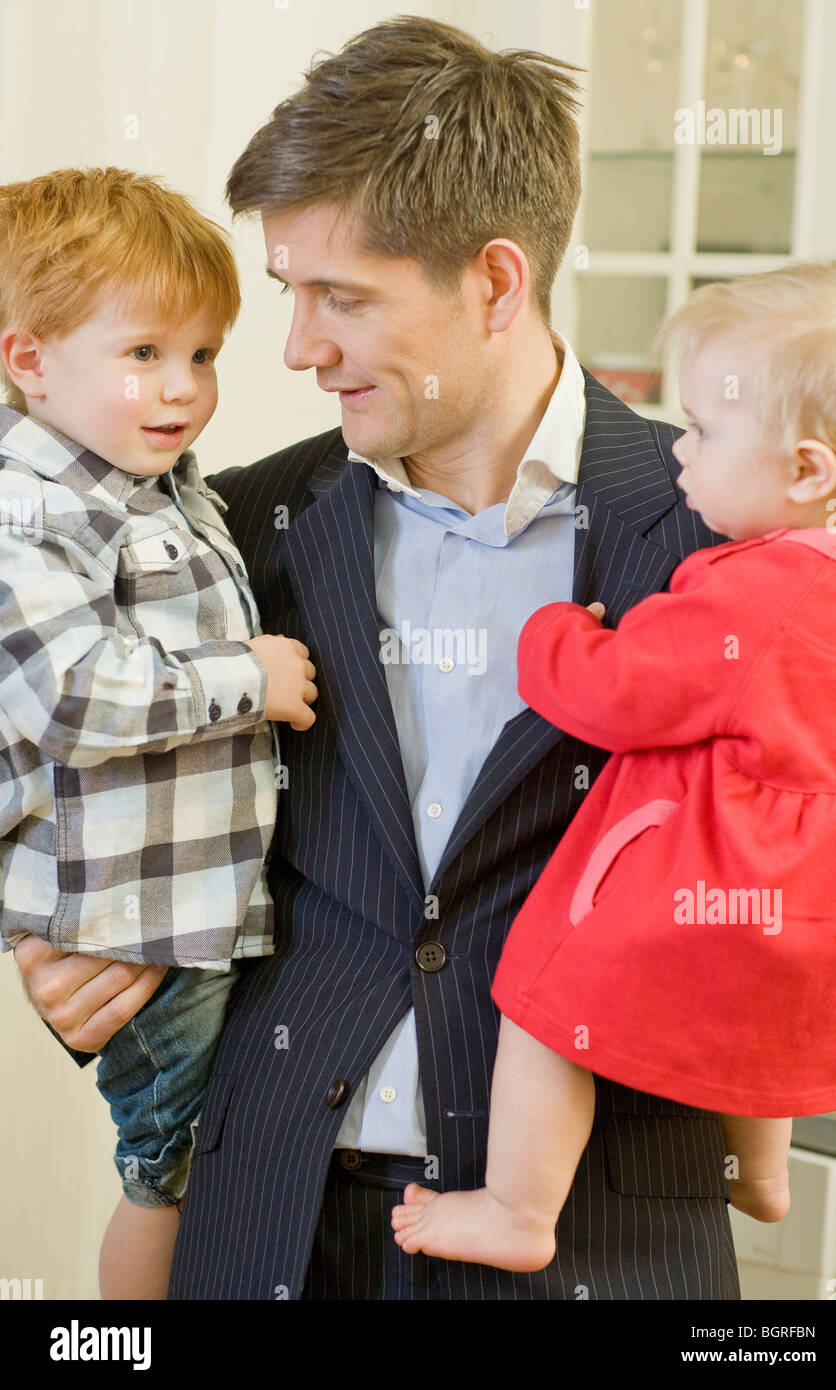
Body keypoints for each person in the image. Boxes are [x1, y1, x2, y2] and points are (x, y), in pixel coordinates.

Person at [14, 17, 741, 1300]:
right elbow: (62, 719)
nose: (297, 348)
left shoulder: (722, 536)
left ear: (496, 281)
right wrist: (58, 939)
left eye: (340, 298)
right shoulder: (229, 526)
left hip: (600, 1239)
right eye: (289, 293)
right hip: (269, 1223)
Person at [391, 258, 836, 1271]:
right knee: (764, 1016)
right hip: (819, 910)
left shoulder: (757, 592)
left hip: (705, 883)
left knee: (544, 1002)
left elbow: (617, 694)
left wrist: (551, 633)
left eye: (703, 430)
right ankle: (761, 1172)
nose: (679, 449)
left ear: (806, 471)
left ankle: (516, 1211)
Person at [0, 167, 318, 1299]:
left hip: (187, 907)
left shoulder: (163, 486)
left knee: (201, 1160)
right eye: (143, 353)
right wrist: (249, 680)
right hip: (130, 921)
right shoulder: (31, 509)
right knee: (171, 1166)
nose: (183, 386)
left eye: (203, 353)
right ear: (29, 359)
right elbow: (71, 697)